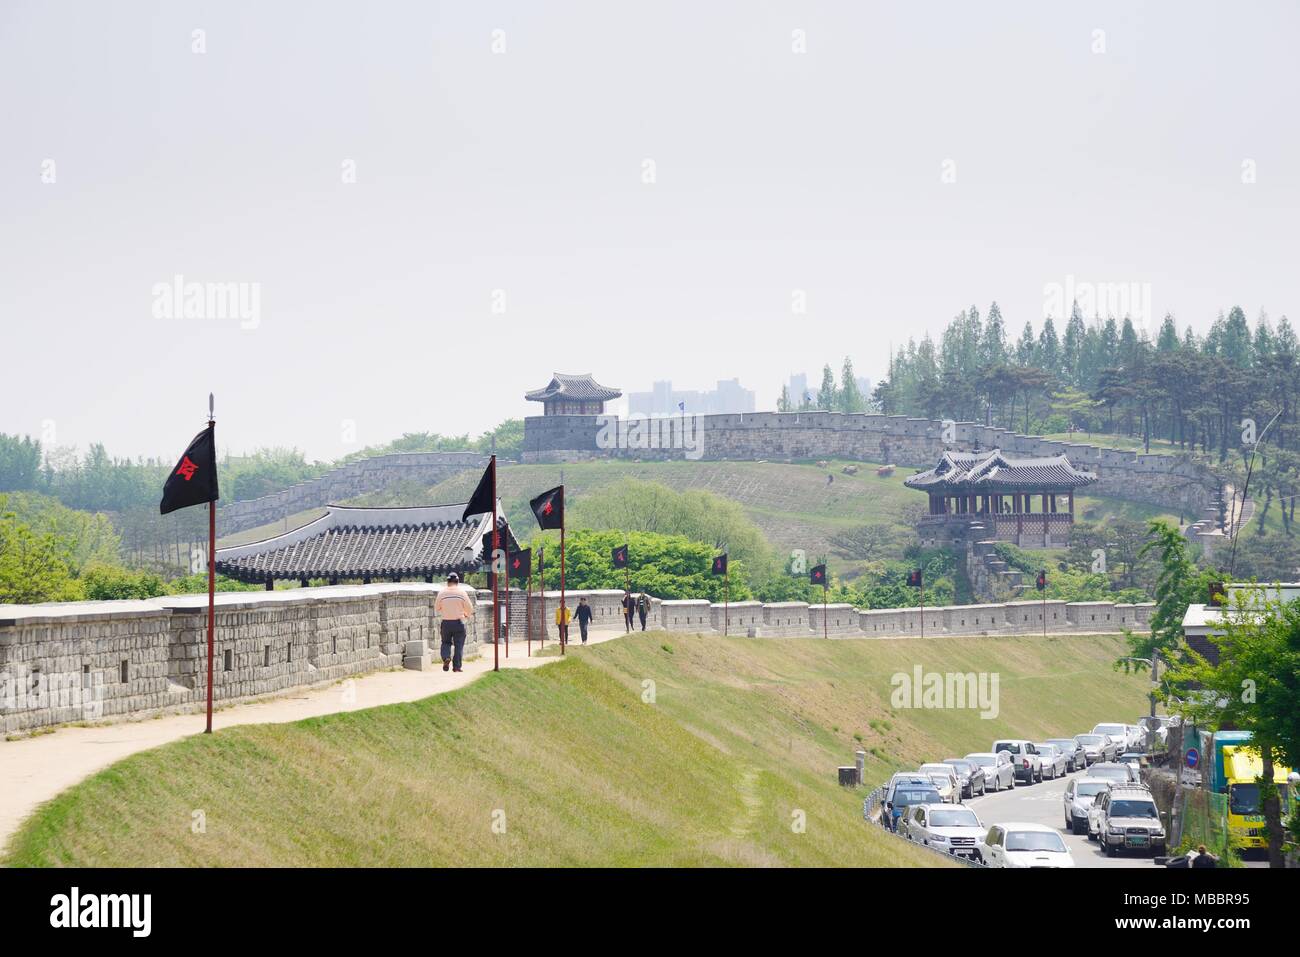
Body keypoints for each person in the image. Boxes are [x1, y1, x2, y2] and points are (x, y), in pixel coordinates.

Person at [434, 572, 476, 672]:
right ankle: (456, 667)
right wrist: (466, 614)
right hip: (459, 622)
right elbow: (470, 608)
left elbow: (437, 607)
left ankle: (446, 657)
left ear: (447, 582)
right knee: (459, 645)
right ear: (457, 581)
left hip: (446, 623)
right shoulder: (462, 593)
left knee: (445, 642)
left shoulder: (442, 593)